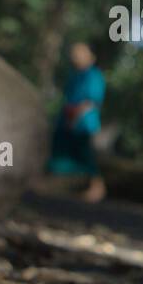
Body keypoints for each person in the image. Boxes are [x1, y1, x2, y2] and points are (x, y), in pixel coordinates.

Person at [47, 42, 107, 203]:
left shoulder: (94, 76)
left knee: (85, 156)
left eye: (80, 52)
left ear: (91, 56)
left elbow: (92, 101)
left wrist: (75, 116)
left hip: (83, 123)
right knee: (61, 154)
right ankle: (62, 185)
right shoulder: (74, 75)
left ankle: (97, 188)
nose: (75, 55)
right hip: (66, 121)